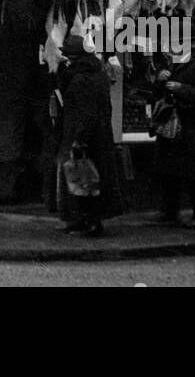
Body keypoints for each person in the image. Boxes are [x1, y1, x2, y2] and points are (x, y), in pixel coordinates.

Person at [55, 32, 123, 237]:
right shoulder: (97, 73)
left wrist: (79, 140)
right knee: (89, 180)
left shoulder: (80, 78)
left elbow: (84, 113)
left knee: (84, 180)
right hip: (99, 136)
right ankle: (87, 220)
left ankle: (89, 222)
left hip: (85, 138)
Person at [153, 33, 195, 228]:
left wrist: (181, 88)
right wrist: (160, 79)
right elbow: (160, 92)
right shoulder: (174, 61)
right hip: (173, 126)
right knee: (170, 170)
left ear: (194, 42)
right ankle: (169, 211)